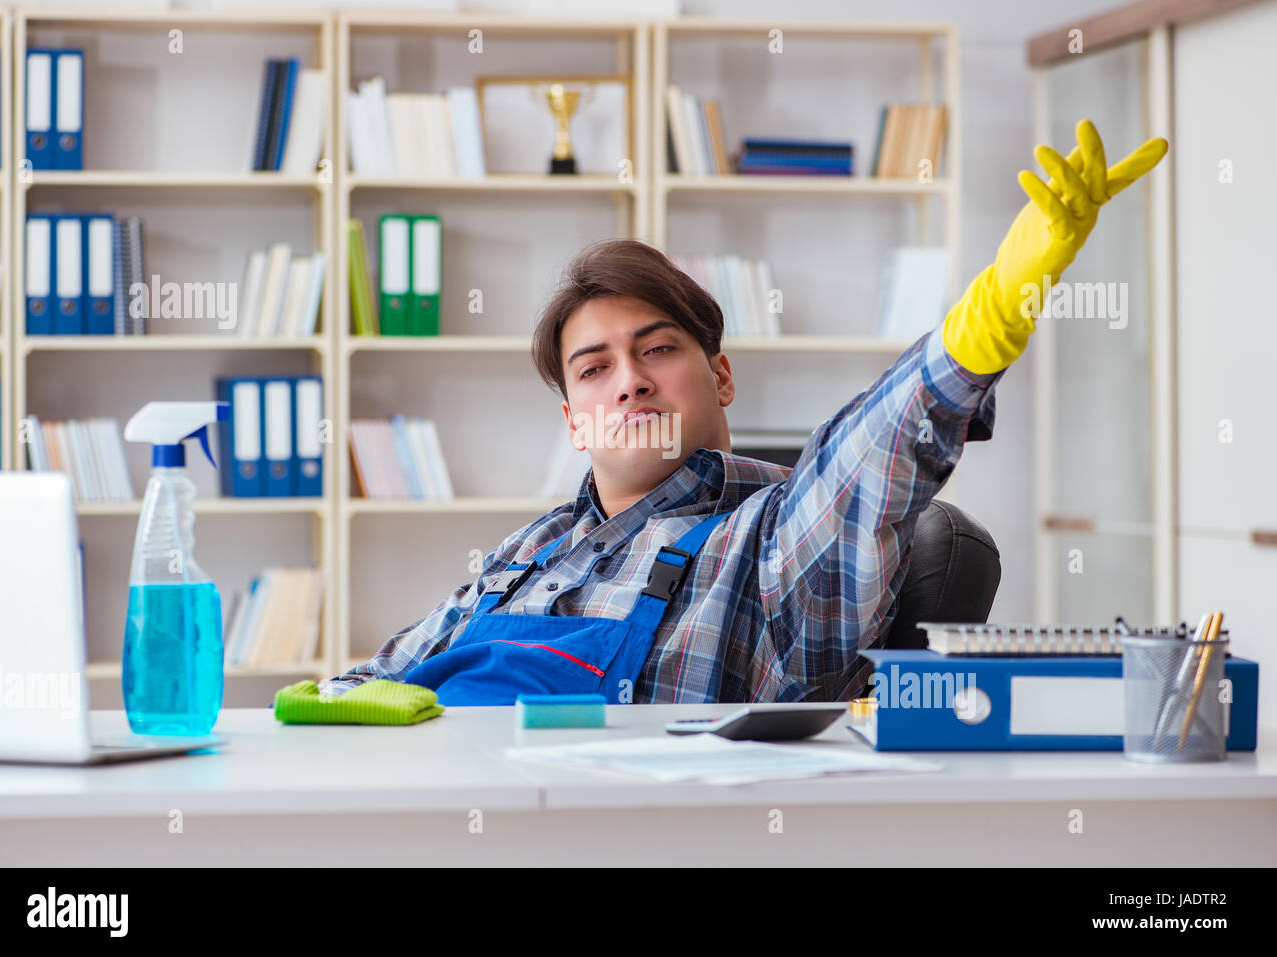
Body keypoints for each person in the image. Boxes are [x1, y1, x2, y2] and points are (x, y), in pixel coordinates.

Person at [320, 119, 1167, 706]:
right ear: (575, 422)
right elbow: (376, 681)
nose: (630, 381)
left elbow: (866, 460)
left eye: (658, 349)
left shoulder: (768, 542)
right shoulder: (526, 551)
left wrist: (985, 325)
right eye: (595, 366)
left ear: (720, 377)